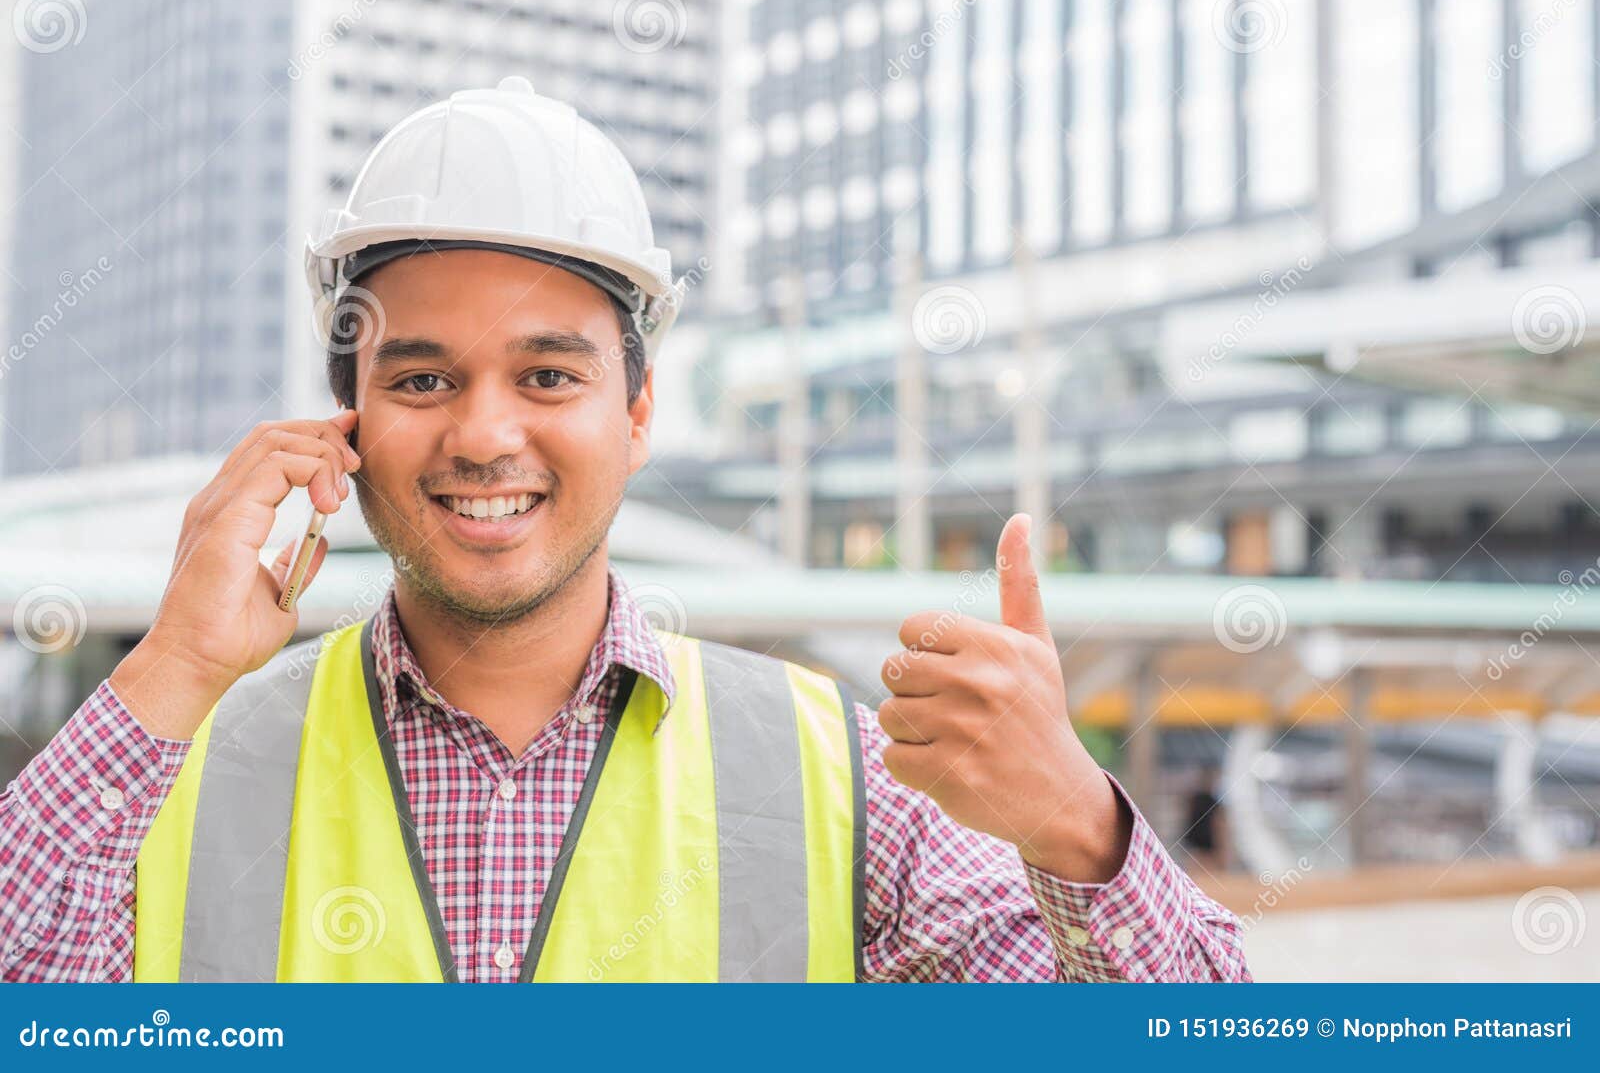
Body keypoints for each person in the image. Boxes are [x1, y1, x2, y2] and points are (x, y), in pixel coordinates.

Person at [0, 79, 1249, 982]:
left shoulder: (838, 778)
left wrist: (1079, 831)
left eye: (548, 377)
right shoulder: (175, 767)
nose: (485, 437)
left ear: (638, 411)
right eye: (422, 380)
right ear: (347, 421)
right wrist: (170, 669)